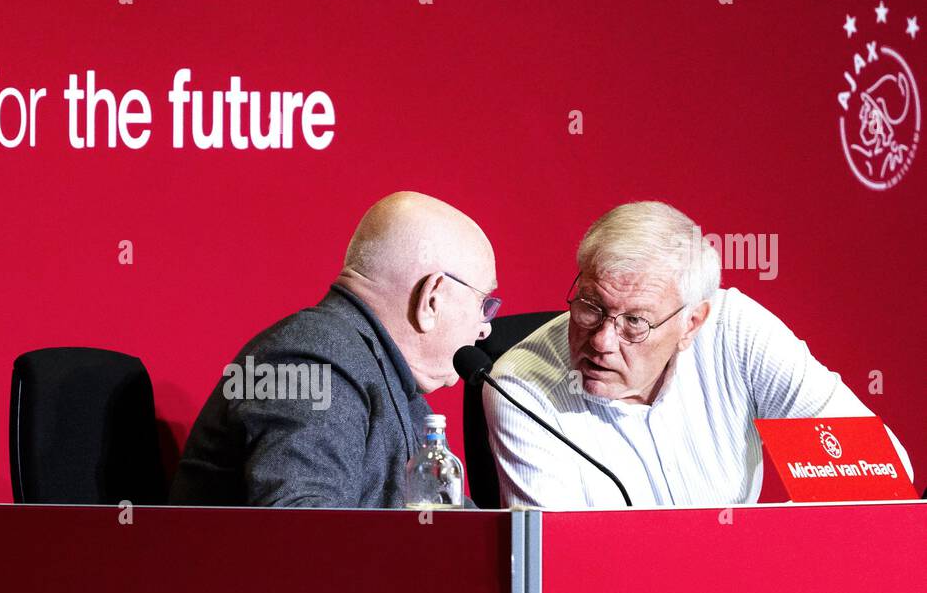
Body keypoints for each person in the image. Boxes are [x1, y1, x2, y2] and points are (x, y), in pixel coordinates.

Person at [485, 200, 913, 507]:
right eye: (590, 307)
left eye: (635, 322)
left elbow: (874, 476)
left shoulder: (734, 331)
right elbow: (560, 564)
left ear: (691, 323)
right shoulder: (520, 387)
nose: (601, 341)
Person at [170, 191, 498, 507]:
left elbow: (453, 529)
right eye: (484, 303)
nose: (486, 327)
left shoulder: (397, 389)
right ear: (432, 298)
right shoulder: (313, 359)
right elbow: (306, 534)